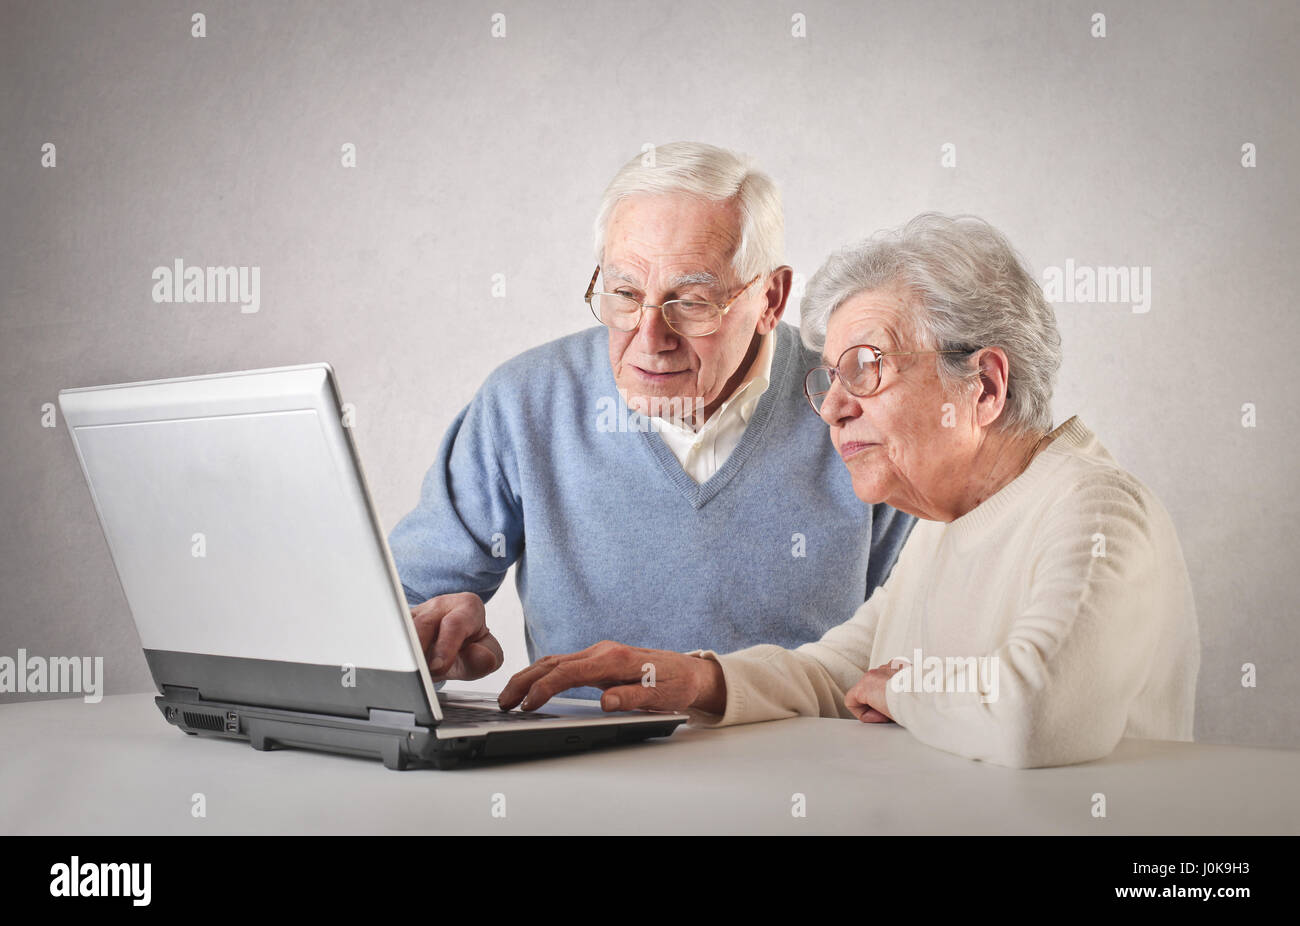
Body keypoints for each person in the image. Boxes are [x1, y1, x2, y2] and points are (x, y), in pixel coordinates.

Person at [495, 213, 1201, 769]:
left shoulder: (1095, 508)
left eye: (865, 369)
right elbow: (838, 673)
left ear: (983, 386)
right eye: (829, 377)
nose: (831, 407)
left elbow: (1033, 716)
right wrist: (691, 679)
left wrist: (903, 690)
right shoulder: (949, 523)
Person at [387, 142, 915, 695]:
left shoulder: (856, 407)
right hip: (581, 768)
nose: (649, 339)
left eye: (689, 301)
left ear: (771, 298)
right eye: (624, 293)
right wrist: (436, 637)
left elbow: (916, 650)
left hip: (796, 764)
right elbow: (395, 606)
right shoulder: (523, 404)